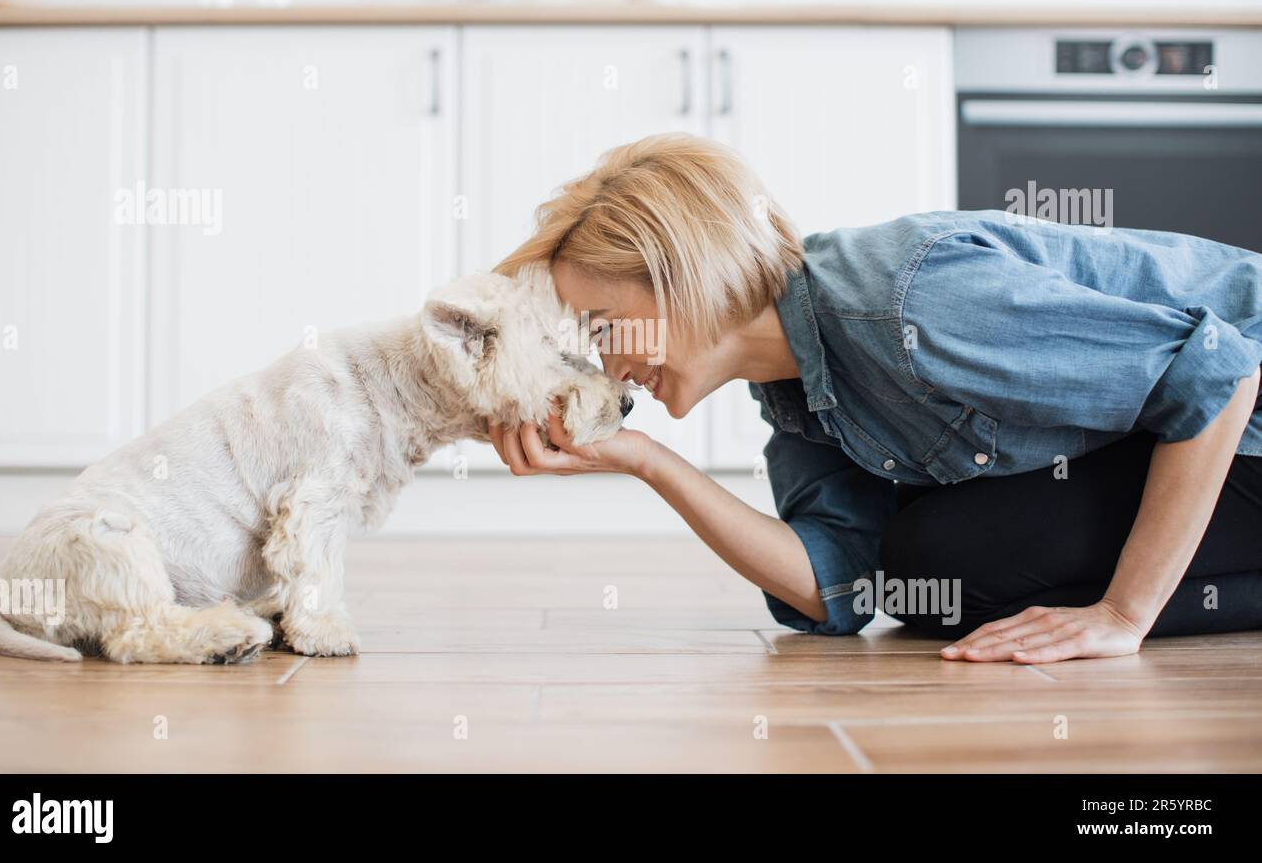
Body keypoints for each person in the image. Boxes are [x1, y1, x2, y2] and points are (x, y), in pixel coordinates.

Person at [489, 133, 1262, 663]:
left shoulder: (910, 304)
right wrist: (644, 461)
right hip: (1195, 434)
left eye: (604, 325)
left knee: (948, 554)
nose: (610, 366)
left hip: (1244, 420)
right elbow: (844, 588)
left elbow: (1218, 373)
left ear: (682, 273)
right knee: (928, 583)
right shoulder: (794, 389)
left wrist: (1123, 615)